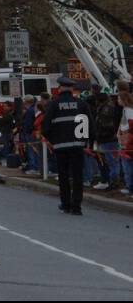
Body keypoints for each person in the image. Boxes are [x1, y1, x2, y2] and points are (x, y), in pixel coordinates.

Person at [42, 76, 91, 215]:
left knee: (63, 176)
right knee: (77, 176)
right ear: (72, 88)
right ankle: (77, 207)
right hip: (78, 146)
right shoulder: (81, 103)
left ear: (61, 88)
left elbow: (45, 127)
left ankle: (66, 204)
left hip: (61, 147)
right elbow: (88, 125)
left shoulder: (54, 104)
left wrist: (53, 140)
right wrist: (86, 142)